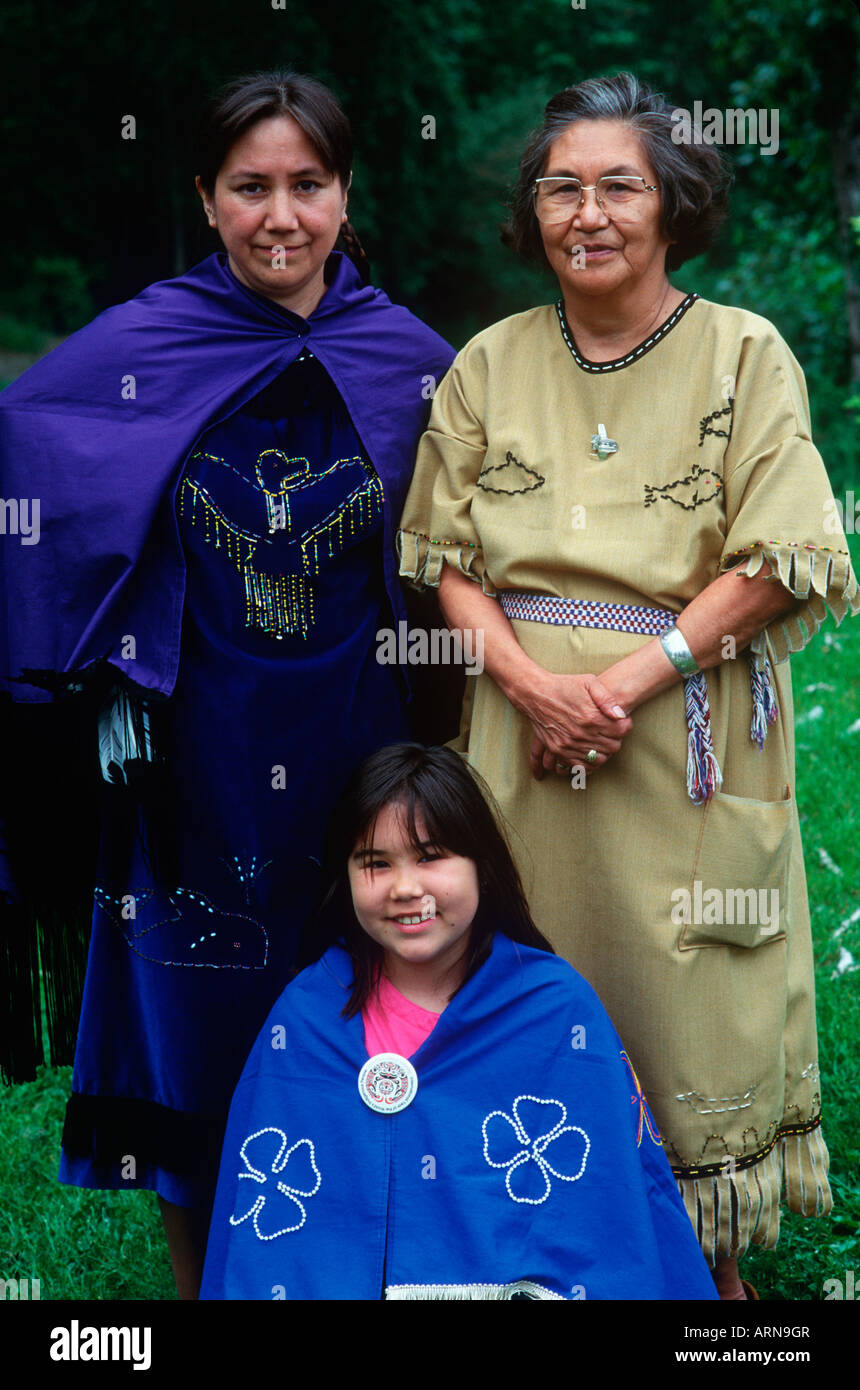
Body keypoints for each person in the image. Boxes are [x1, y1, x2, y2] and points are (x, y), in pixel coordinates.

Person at [397, 72, 859, 1299]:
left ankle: (707, 1293)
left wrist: (622, 683)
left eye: (617, 185)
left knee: (678, 1001)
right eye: (560, 187)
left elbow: (780, 556)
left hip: (680, 744)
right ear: (531, 210)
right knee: (524, 989)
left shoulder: (742, 352)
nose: (584, 212)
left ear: (671, 203)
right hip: (518, 742)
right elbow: (443, 562)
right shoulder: (485, 364)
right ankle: (541, 1272)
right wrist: (534, 689)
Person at [0, 71, 453, 1299]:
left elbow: (478, 545)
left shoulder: (410, 362)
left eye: (307, 185)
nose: (280, 216)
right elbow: (30, 453)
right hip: (189, 752)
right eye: (248, 187)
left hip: (359, 748)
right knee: (200, 1026)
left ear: (345, 193)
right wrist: (107, 647)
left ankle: (354, 1278)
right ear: (205, 197)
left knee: (360, 1016)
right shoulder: (146, 346)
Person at [200, 742, 718, 1300]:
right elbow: (265, 1223)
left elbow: (608, 1206)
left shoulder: (554, 1009)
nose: (405, 888)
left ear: (482, 866)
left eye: (431, 856)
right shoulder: (307, 1016)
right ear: (344, 876)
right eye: (375, 863)